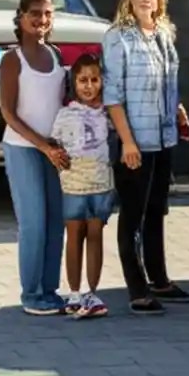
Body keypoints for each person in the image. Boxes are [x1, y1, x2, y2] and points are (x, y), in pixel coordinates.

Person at [102, 0, 189, 315]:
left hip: (163, 138)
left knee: (156, 210)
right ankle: (137, 290)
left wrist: (178, 109)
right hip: (135, 141)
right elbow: (113, 96)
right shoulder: (118, 38)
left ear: (159, 1)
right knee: (133, 215)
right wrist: (127, 142)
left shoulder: (163, 36)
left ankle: (160, 281)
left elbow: (166, 82)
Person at [0, 0, 71, 316]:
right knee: (34, 224)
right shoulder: (12, 59)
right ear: (21, 17)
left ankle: (49, 291)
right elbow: (8, 113)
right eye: (35, 13)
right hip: (23, 148)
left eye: (47, 14)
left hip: (54, 151)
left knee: (56, 222)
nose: (42, 20)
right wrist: (43, 145)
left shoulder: (56, 55)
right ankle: (31, 294)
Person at [50, 53, 114, 319]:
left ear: (102, 82)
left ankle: (92, 292)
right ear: (73, 83)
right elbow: (54, 144)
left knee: (95, 234)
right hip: (73, 183)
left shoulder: (109, 113)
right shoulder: (65, 114)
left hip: (101, 183)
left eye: (94, 80)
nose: (88, 86)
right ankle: (74, 293)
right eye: (82, 80)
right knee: (74, 234)